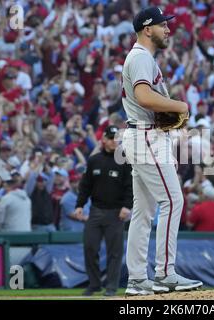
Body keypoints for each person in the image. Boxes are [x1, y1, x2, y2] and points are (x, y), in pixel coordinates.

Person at [121, 7, 202, 295]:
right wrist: (179, 105)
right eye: (162, 24)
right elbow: (144, 96)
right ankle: (165, 273)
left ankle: (136, 279)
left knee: (143, 211)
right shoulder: (141, 57)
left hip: (142, 135)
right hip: (145, 137)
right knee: (173, 200)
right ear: (147, 29)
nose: (167, 29)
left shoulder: (142, 58)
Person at [74, 125, 132, 297]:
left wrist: (127, 206)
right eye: (112, 138)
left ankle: (112, 287)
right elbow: (85, 186)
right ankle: (94, 284)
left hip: (116, 212)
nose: (115, 141)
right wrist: (79, 205)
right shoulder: (94, 161)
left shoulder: (124, 161)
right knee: (90, 247)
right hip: (96, 211)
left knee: (114, 252)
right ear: (104, 140)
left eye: (117, 138)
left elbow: (130, 186)